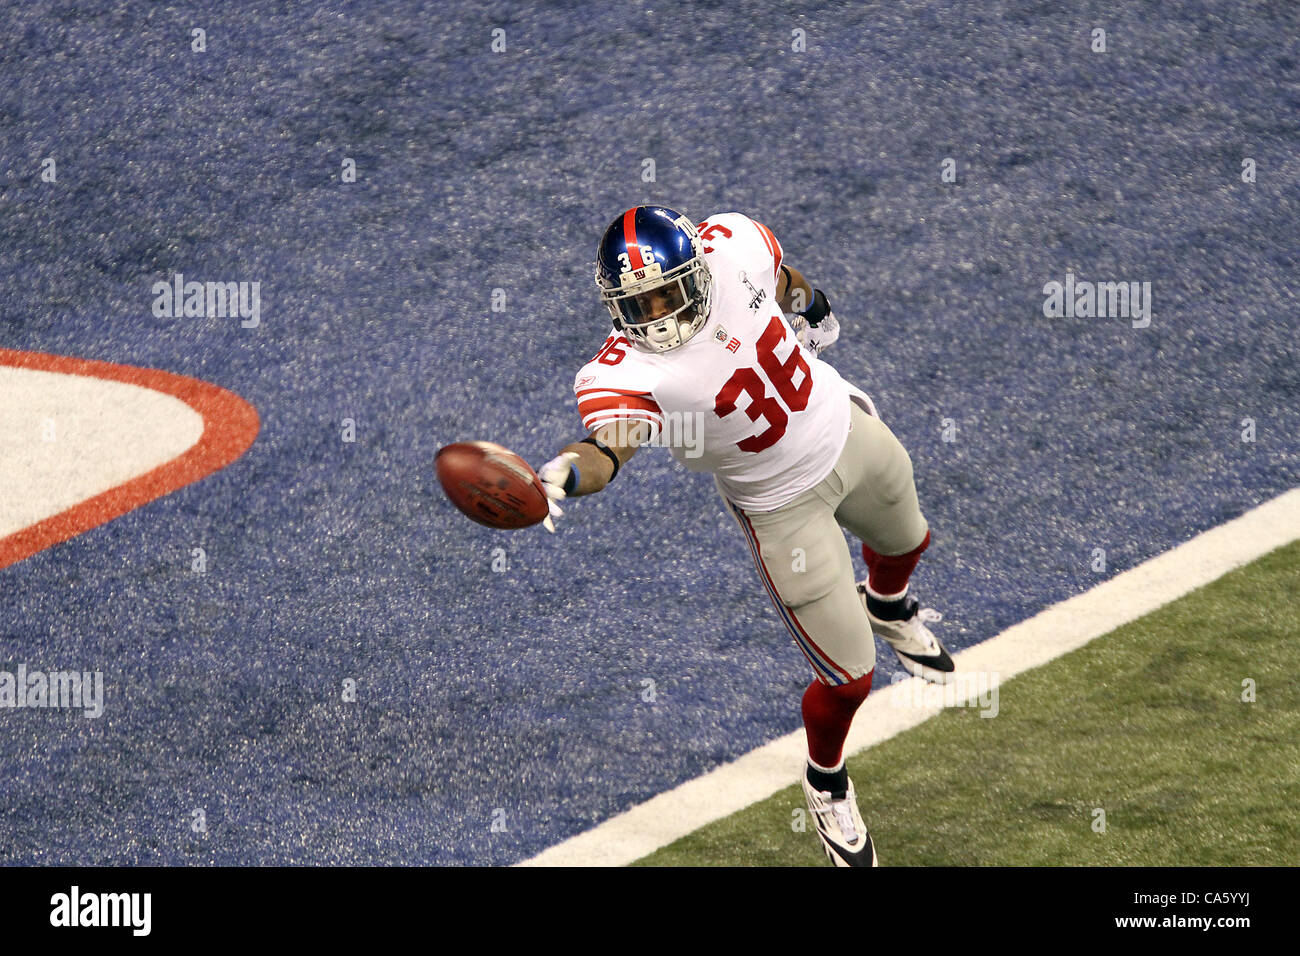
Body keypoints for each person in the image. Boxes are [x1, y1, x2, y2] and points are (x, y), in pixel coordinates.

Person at [537, 205, 953, 867]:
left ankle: (886, 603)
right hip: (782, 508)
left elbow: (782, 277)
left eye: (665, 294)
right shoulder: (623, 373)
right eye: (636, 304)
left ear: (698, 268)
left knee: (909, 543)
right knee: (849, 681)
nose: (656, 315)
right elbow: (610, 445)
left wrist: (812, 305)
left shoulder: (732, 243)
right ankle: (826, 784)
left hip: (843, 430)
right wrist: (564, 476)